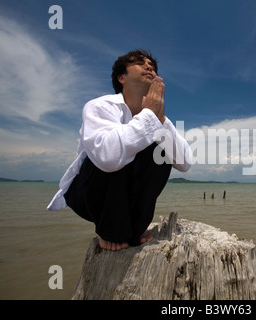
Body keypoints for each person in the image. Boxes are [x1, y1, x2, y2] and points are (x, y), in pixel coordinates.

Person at [47, 49, 192, 251]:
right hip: (90, 195)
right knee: (122, 145)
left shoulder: (157, 117)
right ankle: (110, 230)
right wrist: (150, 116)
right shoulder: (100, 106)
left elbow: (185, 163)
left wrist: (160, 121)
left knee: (161, 151)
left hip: (127, 202)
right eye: (140, 63)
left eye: (152, 65)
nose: (148, 66)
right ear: (121, 77)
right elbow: (108, 158)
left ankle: (133, 228)